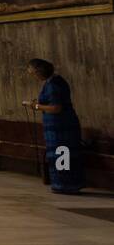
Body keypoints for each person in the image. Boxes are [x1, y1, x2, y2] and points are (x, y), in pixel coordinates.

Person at [25, 58, 85, 194]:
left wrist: (36, 106)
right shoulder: (52, 82)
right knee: (60, 153)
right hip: (56, 127)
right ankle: (61, 183)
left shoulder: (54, 85)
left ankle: (66, 184)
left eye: (34, 74)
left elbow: (56, 107)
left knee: (63, 153)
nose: (34, 77)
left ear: (39, 71)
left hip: (61, 126)